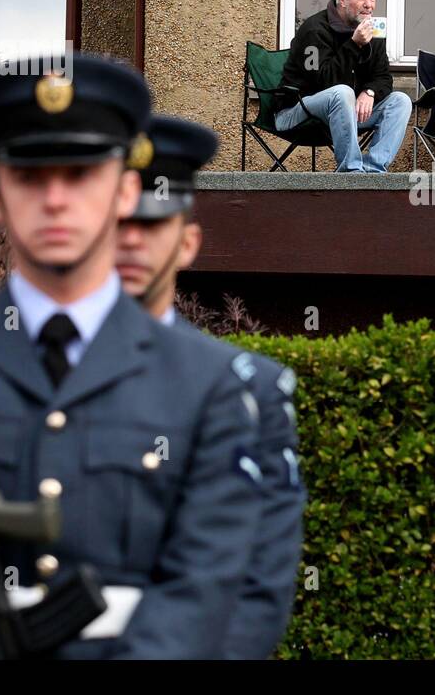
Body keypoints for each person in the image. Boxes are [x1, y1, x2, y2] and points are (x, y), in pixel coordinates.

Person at [0, 54, 266, 659]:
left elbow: (207, 580)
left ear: (124, 190)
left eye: (81, 174)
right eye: (31, 177)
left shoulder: (209, 383)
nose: (56, 200)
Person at [116, 113, 305, 659]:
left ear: (188, 243)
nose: (132, 241)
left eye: (152, 225)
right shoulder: (36, 371)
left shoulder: (252, 391)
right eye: (118, 222)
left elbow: (258, 587)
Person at [278, 0, 411, 172]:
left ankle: (374, 169)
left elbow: (383, 77)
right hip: (298, 111)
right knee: (342, 92)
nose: (369, 4)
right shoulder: (314, 29)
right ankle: (351, 172)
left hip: (347, 113)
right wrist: (354, 45)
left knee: (400, 101)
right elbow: (320, 82)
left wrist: (370, 92)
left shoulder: (372, 30)